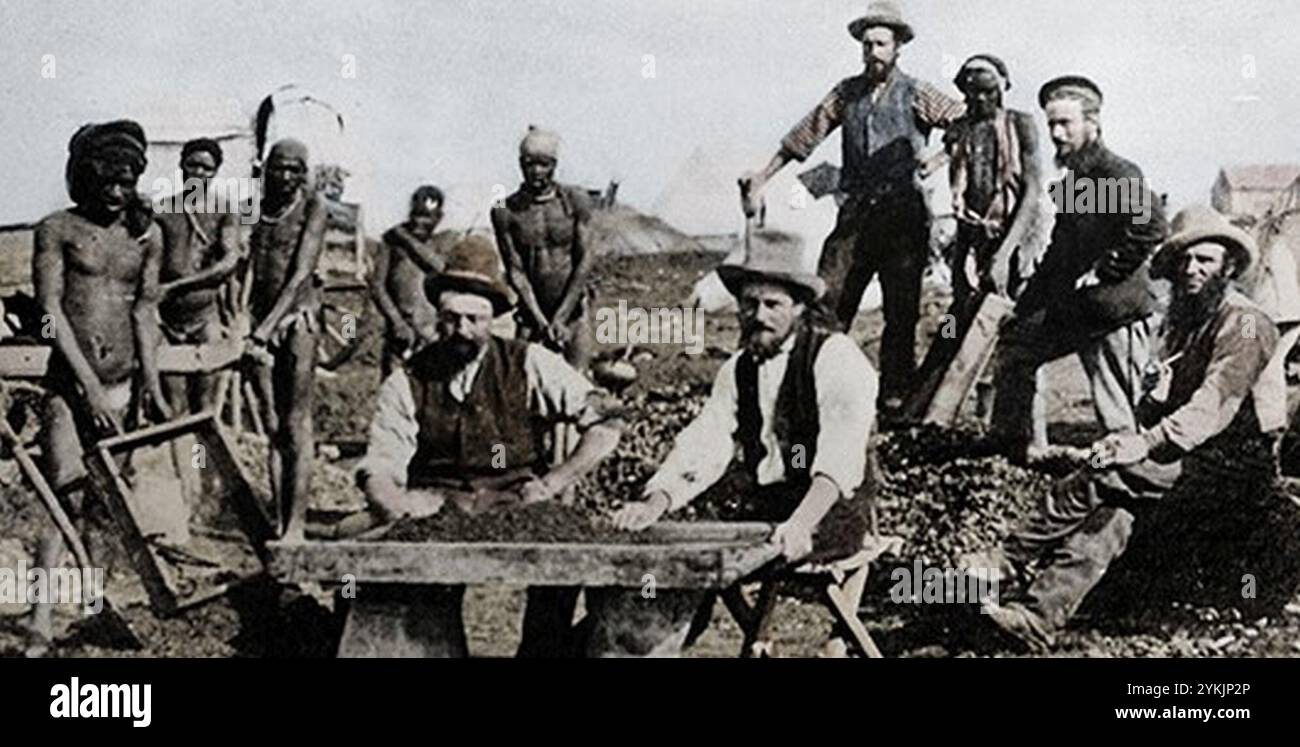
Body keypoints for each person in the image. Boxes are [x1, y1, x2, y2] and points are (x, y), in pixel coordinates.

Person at [969, 206, 1285, 650]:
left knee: (1108, 473)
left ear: (1228, 266)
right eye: (1184, 262)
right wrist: (1155, 398)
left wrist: (1143, 442)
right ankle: (1036, 615)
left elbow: (1214, 404)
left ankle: (1005, 558)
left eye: (1205, 261)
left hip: (1236, 465)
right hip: (1189, 458)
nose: (1192, 271)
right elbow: (1167, 413)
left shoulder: (1246, 322)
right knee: (1113, 515)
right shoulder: (1186, 323)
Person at [597, 241, 878, 657]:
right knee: (673, 560)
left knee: (719, 561)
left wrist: (802, 523)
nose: (758, 316)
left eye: (772, 304)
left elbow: (842, 452)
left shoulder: (834, 357)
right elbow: (706, 441)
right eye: (749, 304)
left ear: (798, 307)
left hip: (832, 510)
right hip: (768, 505)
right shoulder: (738, 369)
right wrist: (656, 501)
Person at [352, 235, 623, 657]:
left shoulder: (529, 362)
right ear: (437, 316)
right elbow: (381, 463)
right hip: (437, 504)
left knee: (564, 569)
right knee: (402, 593)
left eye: (474, 319)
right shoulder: (408, 379)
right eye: (451, 318)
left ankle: (541, 653)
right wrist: (395, 504)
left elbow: (606, 422)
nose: (461, 330)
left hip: (516, 500)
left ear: (494, 318)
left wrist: (553, 484)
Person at [738, 0, 964, 417]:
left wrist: (936, 160)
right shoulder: (847, 93)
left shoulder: (917, 92)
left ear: (898, 47)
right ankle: (809, 386)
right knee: (828, 299)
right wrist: (763, 175)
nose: (872, 51)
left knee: (901, 309)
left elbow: (966, 121)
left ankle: (894, 397)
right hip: (856, 216)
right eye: (866, 44)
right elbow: (803, 137)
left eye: (880, 43)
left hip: (903, 217)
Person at [27, 120, 171, 655]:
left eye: (126, 182)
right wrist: (85, 384)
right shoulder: (57, 229)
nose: (116, 194)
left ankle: (95, 609)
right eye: (107, 182)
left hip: (124, 387)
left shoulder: (146, 235)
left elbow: (146, 311)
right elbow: (49, 311)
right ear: (86, 179)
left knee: (107, 504)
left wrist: (151, 385)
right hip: (70, 384)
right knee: (62, 493)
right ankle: (39, 621)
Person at [990, 75, 1169, 462]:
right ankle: (1027, 452)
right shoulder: (1074, 181)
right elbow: (1059, 252)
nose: (1056, 133)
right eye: (1051, 123)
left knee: (1118, 414)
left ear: (1093, 123)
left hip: (1114, 311)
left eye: (1064, 123)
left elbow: (1152, 225)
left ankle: (1126, 486)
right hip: (1078, 307)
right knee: (1018, 349)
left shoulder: (1117, 172)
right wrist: (1025, 308)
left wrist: (1106, 270)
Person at [905, 54, 1046, 421]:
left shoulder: (1021, 125)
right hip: (974, 242)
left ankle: (1023, 427)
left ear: (1002, 88)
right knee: (955, 323)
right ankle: (923, 410)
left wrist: (1004, 256)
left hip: (1017, 241)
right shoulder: (963, 129)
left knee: (1018, 329)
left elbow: (1032, 193)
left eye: (988, 92)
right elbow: (950, 160)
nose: (980, 101)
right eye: (972, 94)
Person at [247, 138, 326, 541]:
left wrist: (267, 326)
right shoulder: (257, 207)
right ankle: (280, 523)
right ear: (267, 168)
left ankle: (297, 524)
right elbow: (246, 267)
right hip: (260, 321)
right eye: (279, 168)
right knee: (274, 427)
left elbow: (300, 272)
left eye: (295, 169)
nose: (286, 176)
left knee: (297, 423)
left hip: (296, 319)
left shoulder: (313, 207)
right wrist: (245, 320)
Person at [491, 126, 595, 370]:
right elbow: (515, 270)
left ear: (554, 165)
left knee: (577, 385)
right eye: (530, 164)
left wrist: (561, 317)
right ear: (520, 165)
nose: (537, 172)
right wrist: (540, 321)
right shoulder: (505, 211)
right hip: (531, 316)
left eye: (544, 164)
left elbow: (585, 258)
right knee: (526, 385)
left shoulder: (575, 200)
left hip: (573, 313)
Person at [154, 137, 243, 413]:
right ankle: (181, 457)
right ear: (181, 165)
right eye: (193, 165)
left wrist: (178, 285)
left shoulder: (224, 211)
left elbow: (230, 260)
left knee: (205, 406)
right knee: (175, 406)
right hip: (168, 322)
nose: (198, 173)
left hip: (206, 319)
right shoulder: (163, 210)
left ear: (216, 172)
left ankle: (199, 458)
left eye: (207, 168)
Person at [370, 185, 455, 376]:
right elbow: (377, 286)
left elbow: (441, 269)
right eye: (416, 214)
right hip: (401, 330)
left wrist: (407, 239)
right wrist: (396, 321)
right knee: (394, 385)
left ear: (438, 218)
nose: (419, 221)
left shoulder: (445, 241)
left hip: (433, 330)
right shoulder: (391, 242)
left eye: (426, 216)